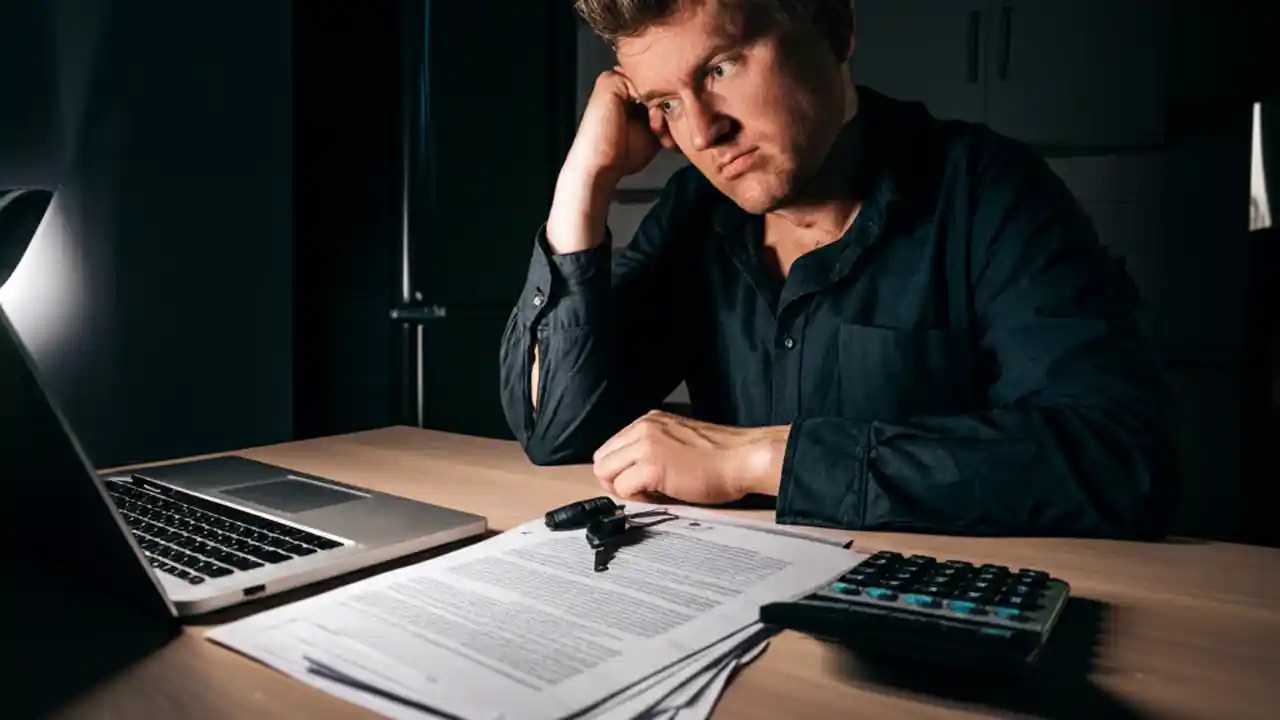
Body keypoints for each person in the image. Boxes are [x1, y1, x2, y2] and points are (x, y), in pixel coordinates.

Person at [498, 0, 1176, 537]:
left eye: (721, 68)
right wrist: (584, 183)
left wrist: (758, 459)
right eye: (665, 103)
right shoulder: (694, 214)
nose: (701, 133)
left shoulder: (988, 191)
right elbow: (559, 432)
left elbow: (1118, 457)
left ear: (834, 27)